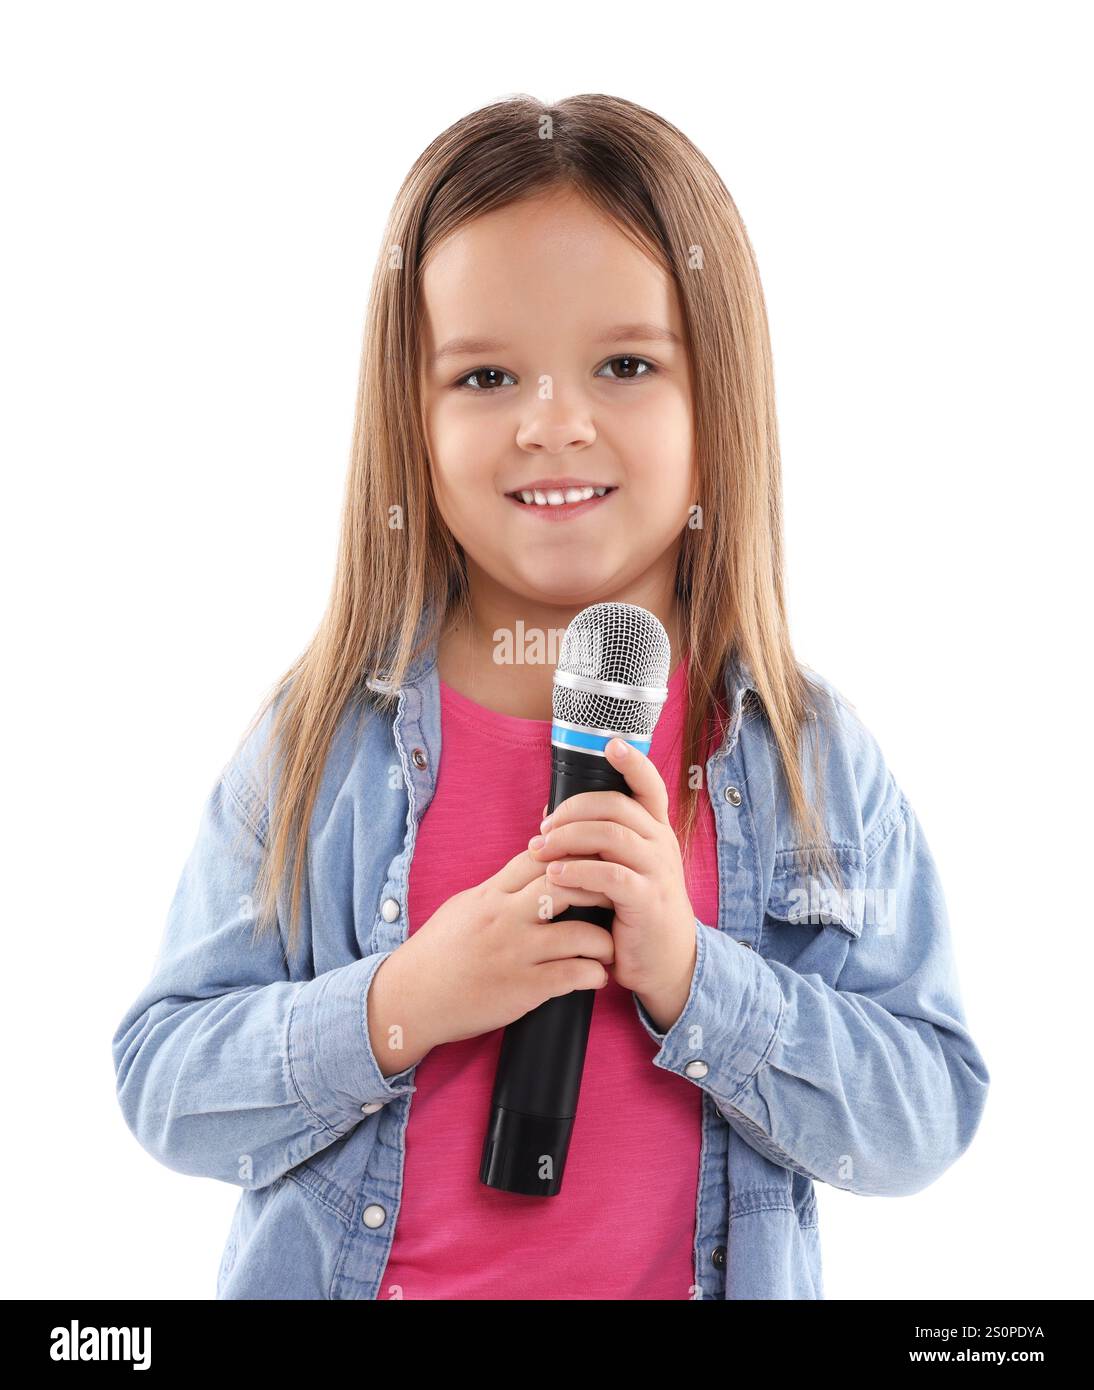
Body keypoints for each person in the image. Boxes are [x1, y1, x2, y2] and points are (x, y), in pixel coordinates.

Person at [111, 92, 990, 1300]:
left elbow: (925, 1111)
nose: (552, 423)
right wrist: (404, 1001)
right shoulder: (323, 736)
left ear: (715, 397)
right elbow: (164, 1083)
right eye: (484, 375)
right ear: (409, 418)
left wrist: (696, 980)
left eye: (623, 364)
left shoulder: (801, 754)